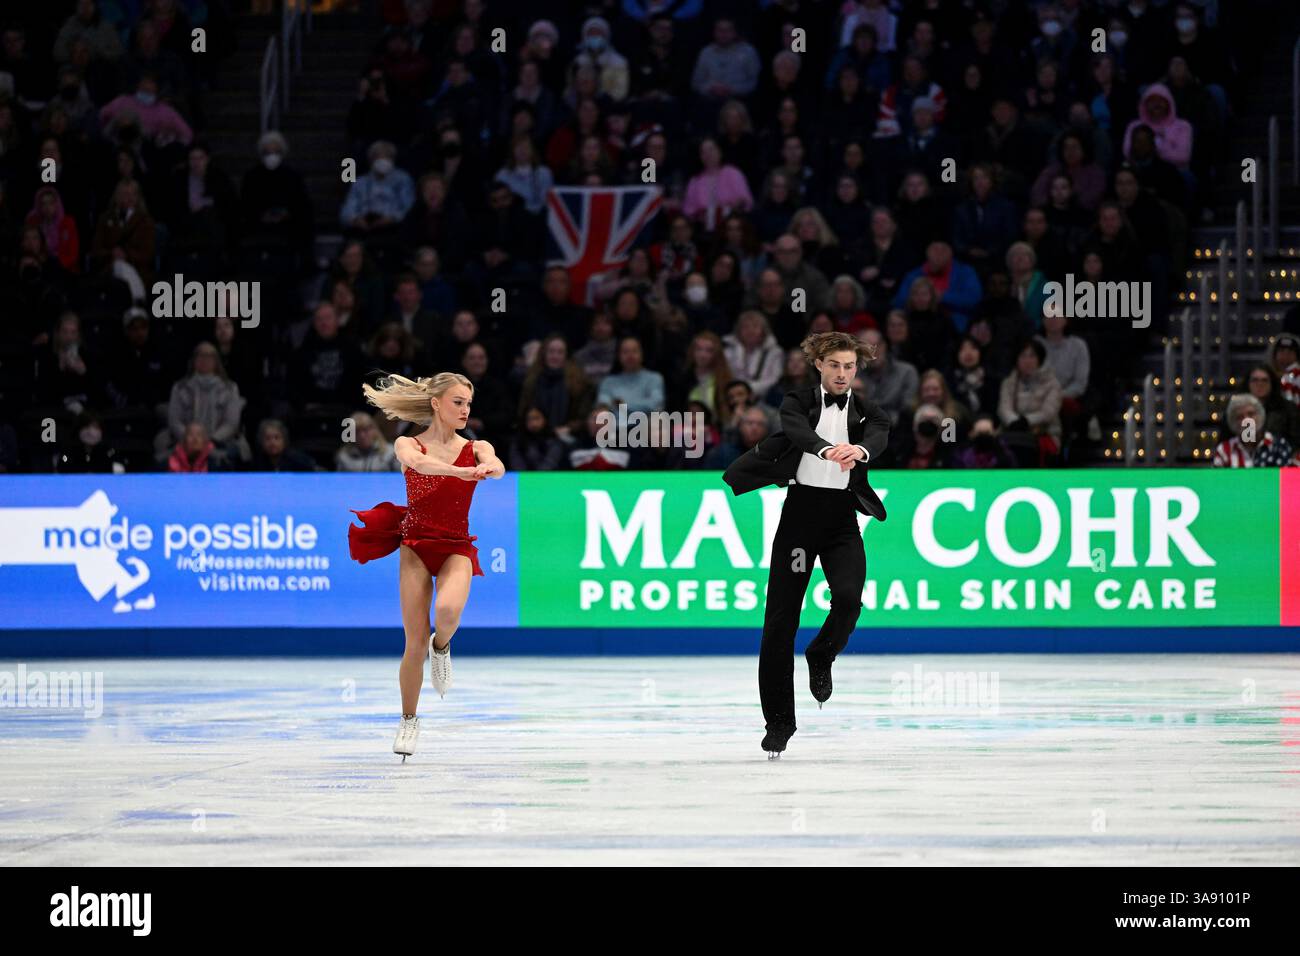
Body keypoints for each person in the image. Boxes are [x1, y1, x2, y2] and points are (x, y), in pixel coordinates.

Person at [722, 331, 890, 757]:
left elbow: (880, 437)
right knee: (781, 620)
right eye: (834, 365)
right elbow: (795, 432)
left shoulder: (869, 411)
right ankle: (779, 722)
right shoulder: (797, 401)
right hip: (800, 520)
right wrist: (826, 450)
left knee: (850, 598)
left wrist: (861, 452)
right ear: (819, 364)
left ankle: (822, 652)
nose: (841, 373)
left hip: (840, 521)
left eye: (849, 366)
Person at [348, 372, 507, 761]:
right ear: (436, 404)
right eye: (457, 402)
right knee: (412, 643)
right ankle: (408, 719)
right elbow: (420, 465)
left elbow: (498, 465)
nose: (465, 409)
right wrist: (461, 473)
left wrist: (488, 469)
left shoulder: (477, 446)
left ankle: (444, 646)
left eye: (468, 403)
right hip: (415, 547)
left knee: (448, 613)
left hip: (455, 547)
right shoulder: (408, 443)